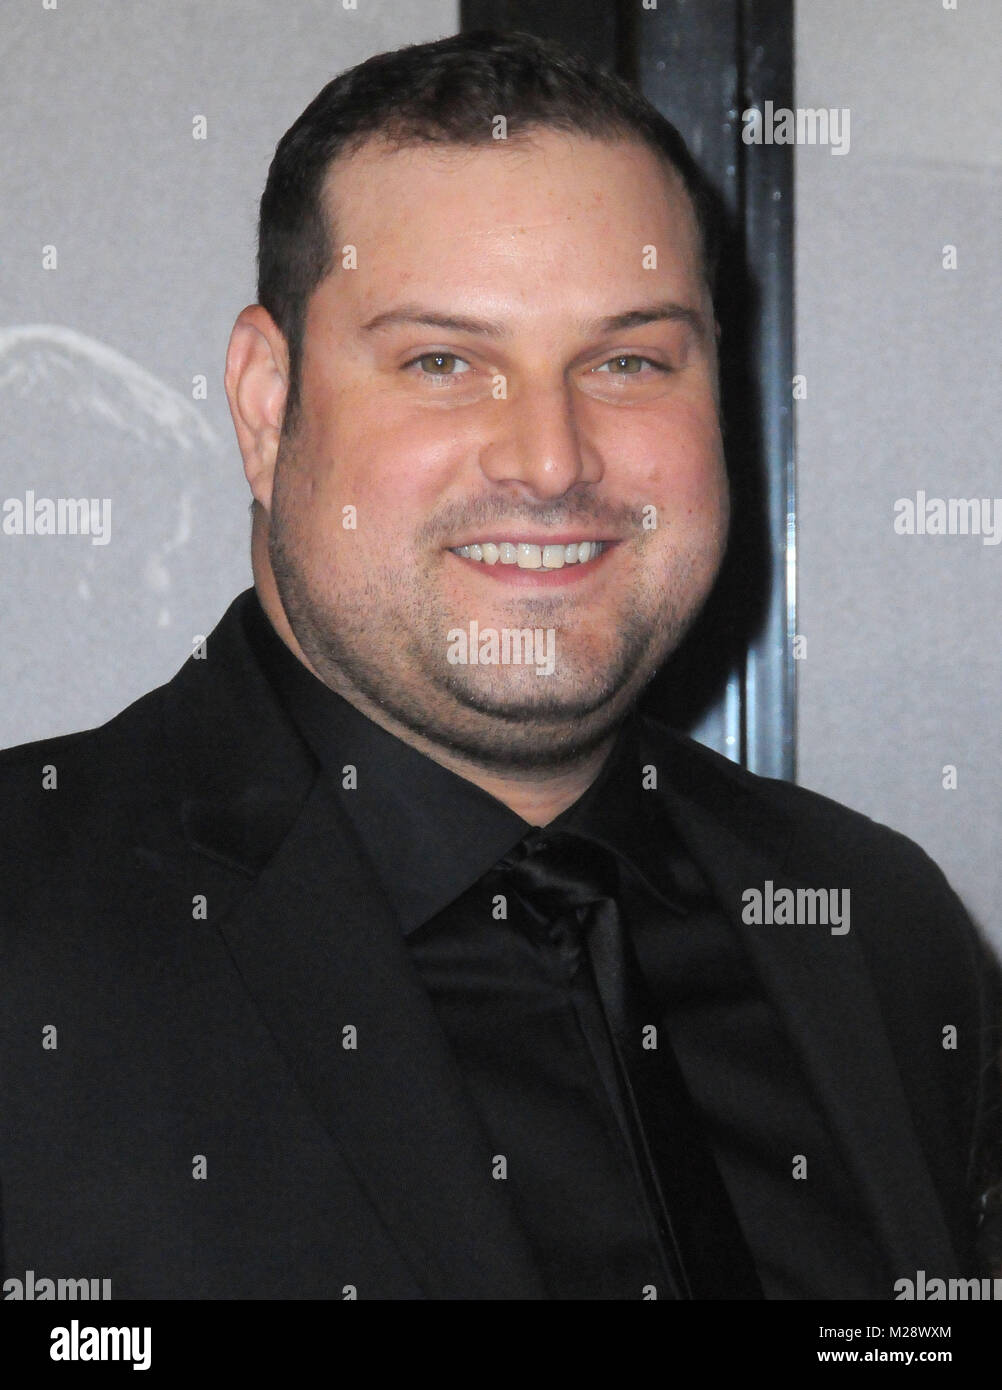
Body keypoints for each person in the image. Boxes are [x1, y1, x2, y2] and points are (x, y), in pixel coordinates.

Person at [1, 29, 998, 1302]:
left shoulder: (880, 931)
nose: (549, 457)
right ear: (265, 404)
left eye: (629, 360)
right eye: (442, 362)